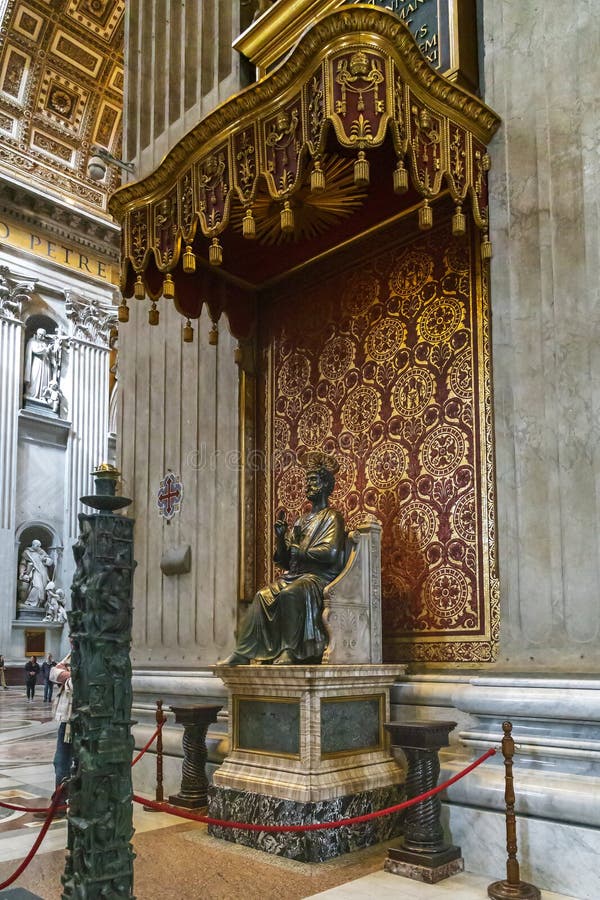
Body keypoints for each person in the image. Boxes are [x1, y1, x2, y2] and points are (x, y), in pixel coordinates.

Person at [220, 451, 345, 666]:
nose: (307, 486)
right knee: (262, 595)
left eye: (313, 481)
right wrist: (280, 538)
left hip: (319, 578)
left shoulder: (332, 517)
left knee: (290, 593)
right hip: (297, 575)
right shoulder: (301, 521)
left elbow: (331, 553)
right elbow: (286, 561)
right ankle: (243, 652)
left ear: (325, 485)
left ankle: (291, 650)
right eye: (307, 481)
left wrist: (301, 552)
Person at [50, 653, 73, 804]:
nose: (71, 638)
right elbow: (53, 673)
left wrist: (67, 675)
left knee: (79, 761)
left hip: (82, 719)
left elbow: (78, 684)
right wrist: (71, 675)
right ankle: (59, 801)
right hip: (67, 719)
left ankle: (77, 799)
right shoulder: (72, 654)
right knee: (60, 761)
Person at [18, 539, 53, 608]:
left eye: (39, 546)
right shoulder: (27, 552)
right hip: (34, 571)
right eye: (37, 546)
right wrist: (22, 573)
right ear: (33, 545)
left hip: (43, 573)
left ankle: (39, 604)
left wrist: (47, 560)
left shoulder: (42, 552)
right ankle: (30, 602)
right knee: (37, 587)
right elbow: (23, 564)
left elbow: (49, 561)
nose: (39, 547)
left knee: (43, 588)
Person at [24, 328, 54, 400]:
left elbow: (49, 354)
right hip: (37, 362)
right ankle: (32, 393)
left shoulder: (44, 343)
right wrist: (46, 349)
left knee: (44, 379)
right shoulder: (32, 341)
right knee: (35, 378)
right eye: (41, 335)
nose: (42, 337)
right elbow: (35, 350)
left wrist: (50, 350)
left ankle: (42, 395)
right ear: (37, 333)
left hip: (45, 363)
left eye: (43, 335)